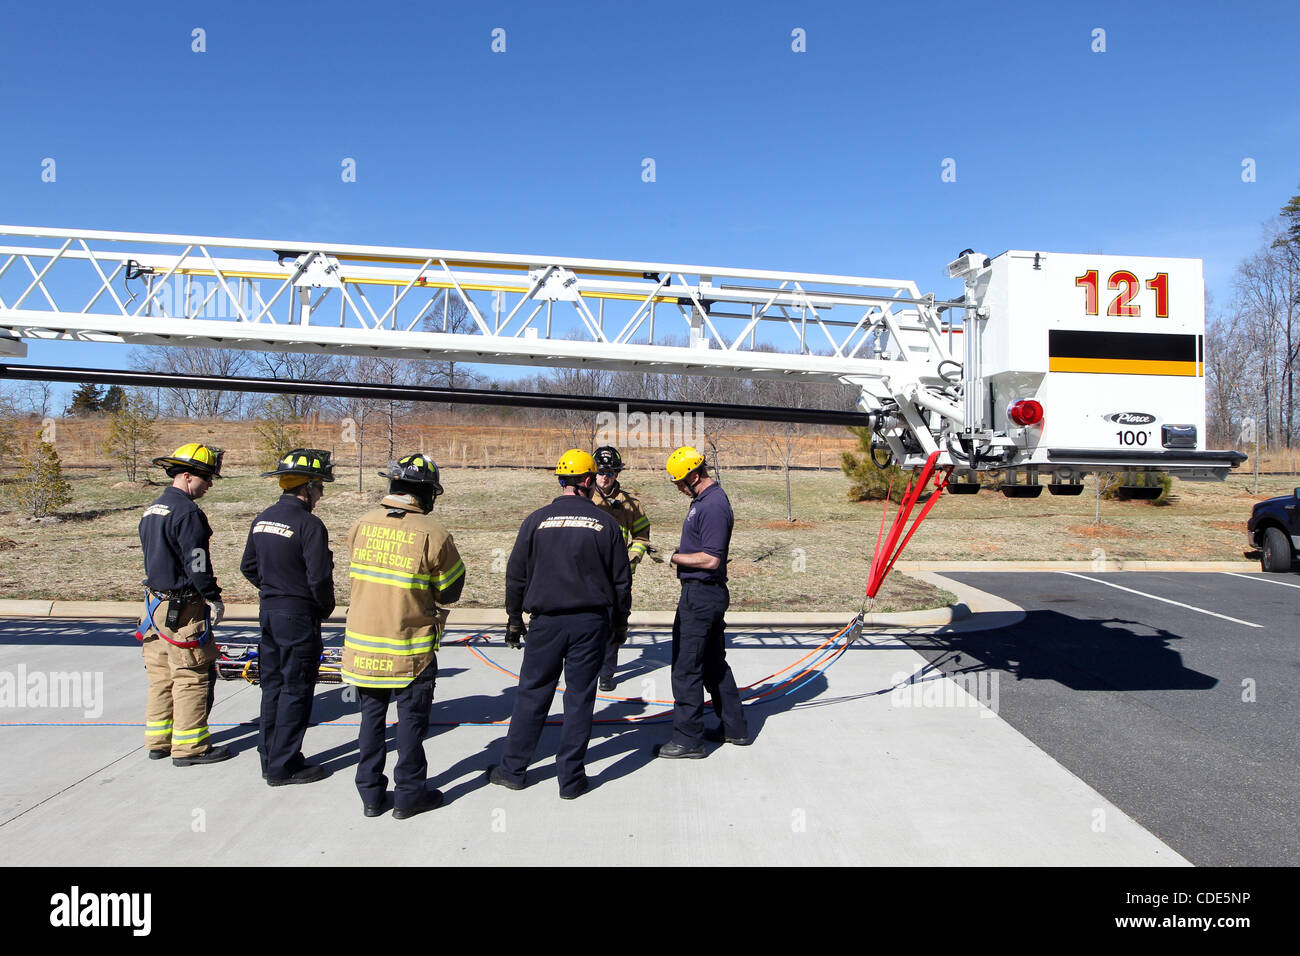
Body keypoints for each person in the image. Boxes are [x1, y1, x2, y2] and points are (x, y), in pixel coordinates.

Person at [488, 449, 631, 799]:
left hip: (545, 624)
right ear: (586, 480)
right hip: (590, 624)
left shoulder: (536, 520)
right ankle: (570, 780)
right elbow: (621, 582)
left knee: (532, 694)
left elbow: (516, 574)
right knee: (579, 699)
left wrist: (512, 618)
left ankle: (513, 770)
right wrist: (619, 624)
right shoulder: (605, 523)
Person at [341, 454, 465, 819]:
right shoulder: (434, 533)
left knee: (370, 722)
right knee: (411, 725)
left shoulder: (360, 524)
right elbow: (449, 591)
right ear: (426, 495)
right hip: (410, 651)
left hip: (363, 648)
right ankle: (410, 796)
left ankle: (370, 796)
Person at [240, 449, 337, 787]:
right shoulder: (309, 525)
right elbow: (319, 578)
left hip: (268, 614)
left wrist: (273, 589)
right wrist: (322, 608)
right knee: (296, 689)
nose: (321, 494)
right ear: (307, 487)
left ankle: (269, 756)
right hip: (298, 617)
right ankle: (284, 767)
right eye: (321, 487)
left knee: (274, 687)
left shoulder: (263, 518)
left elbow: (247, 566)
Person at [136, 442, 232, 767]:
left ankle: (159, 741)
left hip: (153, 608)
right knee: (191, 675)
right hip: (183, 609)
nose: (210, 484)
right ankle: (190, 748)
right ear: (187, 476)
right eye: (206, 478)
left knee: (161, 677)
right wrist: (212, 596)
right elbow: (198, 562)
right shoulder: (188, 513)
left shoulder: (153, 510)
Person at [656, 446, 750, 758]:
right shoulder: (703, 501)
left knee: (686, 667)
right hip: (701, 594)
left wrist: (671, 557)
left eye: (680, 482)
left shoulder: (713, 505)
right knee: (712, 664)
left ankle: (688, 740)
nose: (679, 488)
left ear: (695, 476)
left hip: (702, 595)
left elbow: (711, 559)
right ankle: (733, 727)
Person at [590, 445, 650, 692]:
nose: (607, 476)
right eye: (602, 471)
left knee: (615, 625)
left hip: (618, 576)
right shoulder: (583, 499)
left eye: (612, 471)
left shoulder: (631, 504)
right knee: (589, 623)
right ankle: (586, 668)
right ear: (593, 472)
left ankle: (606, 673)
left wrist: (632, 558)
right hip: (588, 575)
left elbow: (642, 536)